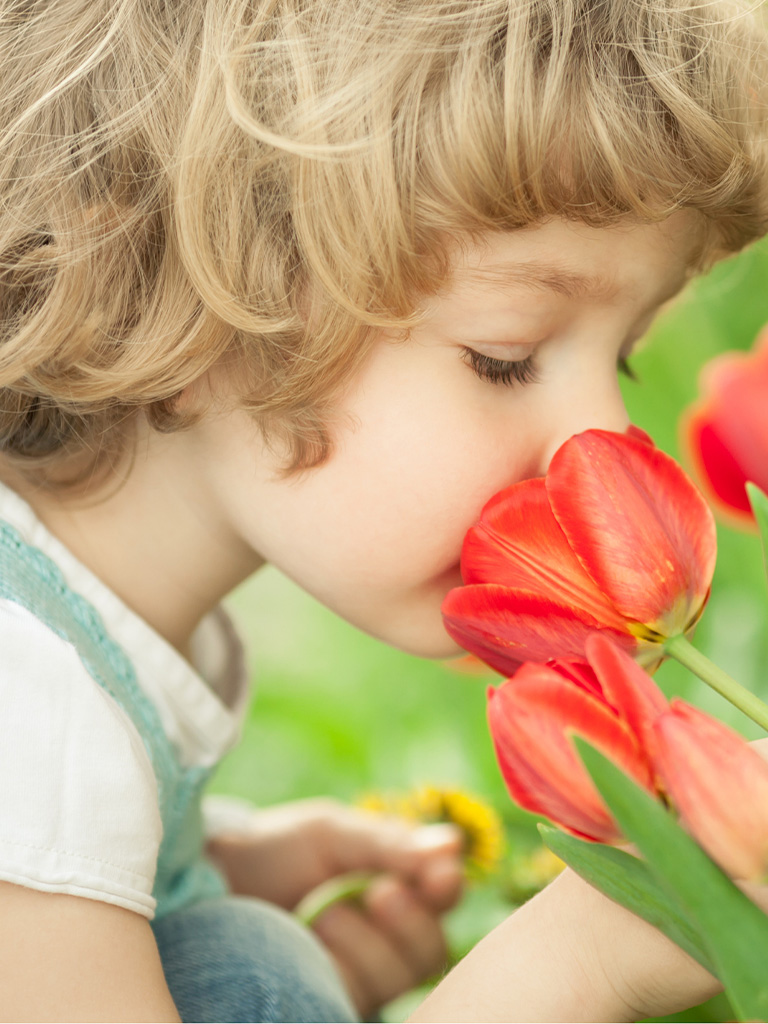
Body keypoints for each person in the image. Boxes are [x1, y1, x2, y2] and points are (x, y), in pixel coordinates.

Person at [0, 0, 767, 1020]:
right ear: (176, 294)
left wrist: (212, 865)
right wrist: (579, 964)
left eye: (621, 356)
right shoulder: (27, 702)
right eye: (506, 355)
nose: (595, 441)